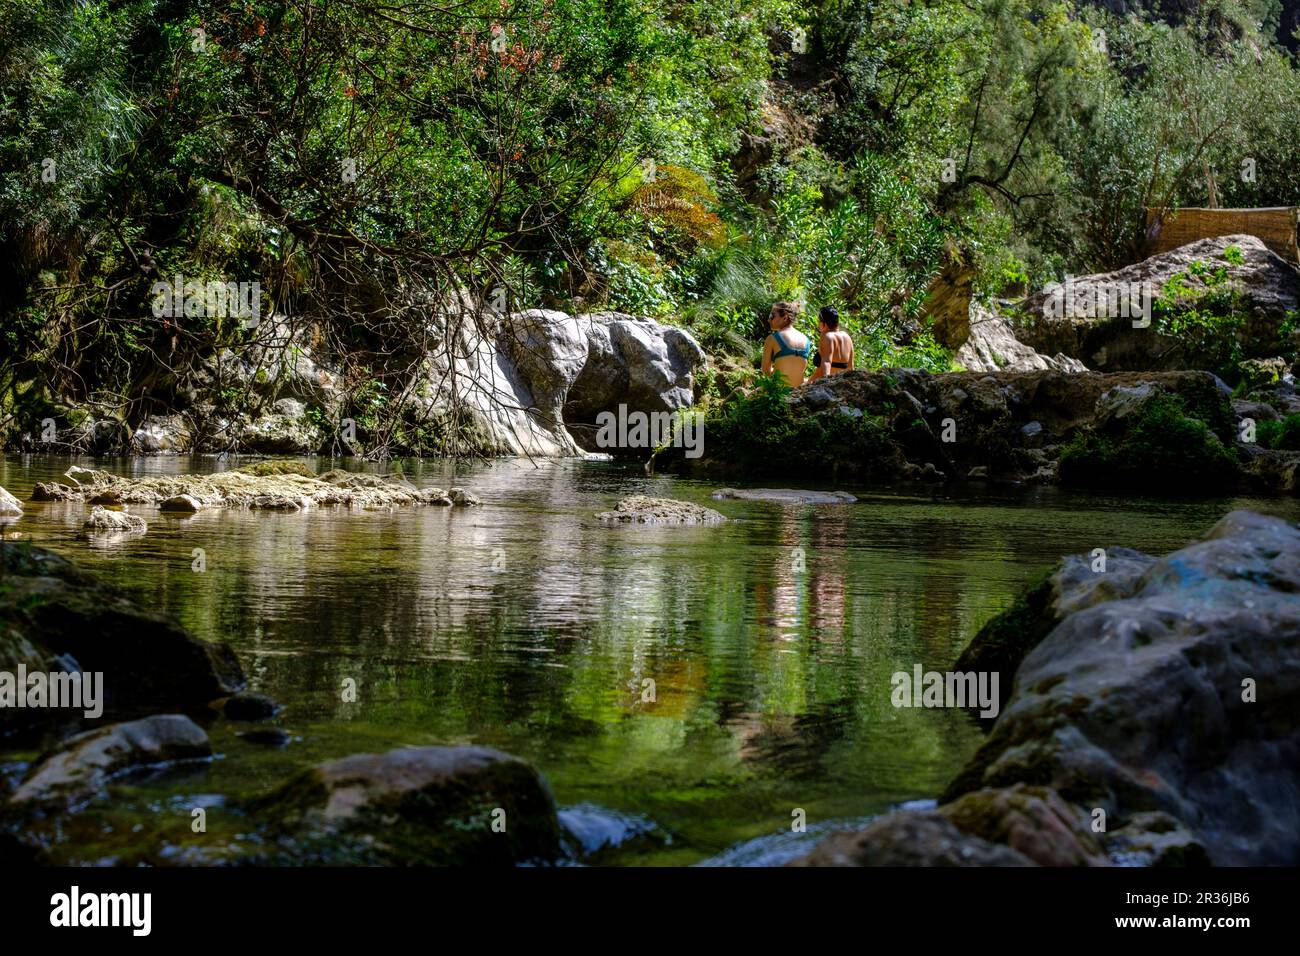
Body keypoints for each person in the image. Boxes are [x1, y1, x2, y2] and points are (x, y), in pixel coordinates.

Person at [761, 301, 810, 387]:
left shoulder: (772, 338)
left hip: (779, 392)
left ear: (785, 318)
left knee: (739, 391)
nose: (769, 319)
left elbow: (766, 371)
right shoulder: (806, 340)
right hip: (798, 391)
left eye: (772, 316)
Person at [809, 306, 853, 381]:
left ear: (824, 323)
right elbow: (850, 367)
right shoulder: (847, 337)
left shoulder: (827, 336)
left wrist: (826, 384)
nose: (818, 323)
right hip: (840, 382)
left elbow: (827, 363)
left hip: (827, 383)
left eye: (819, 321)